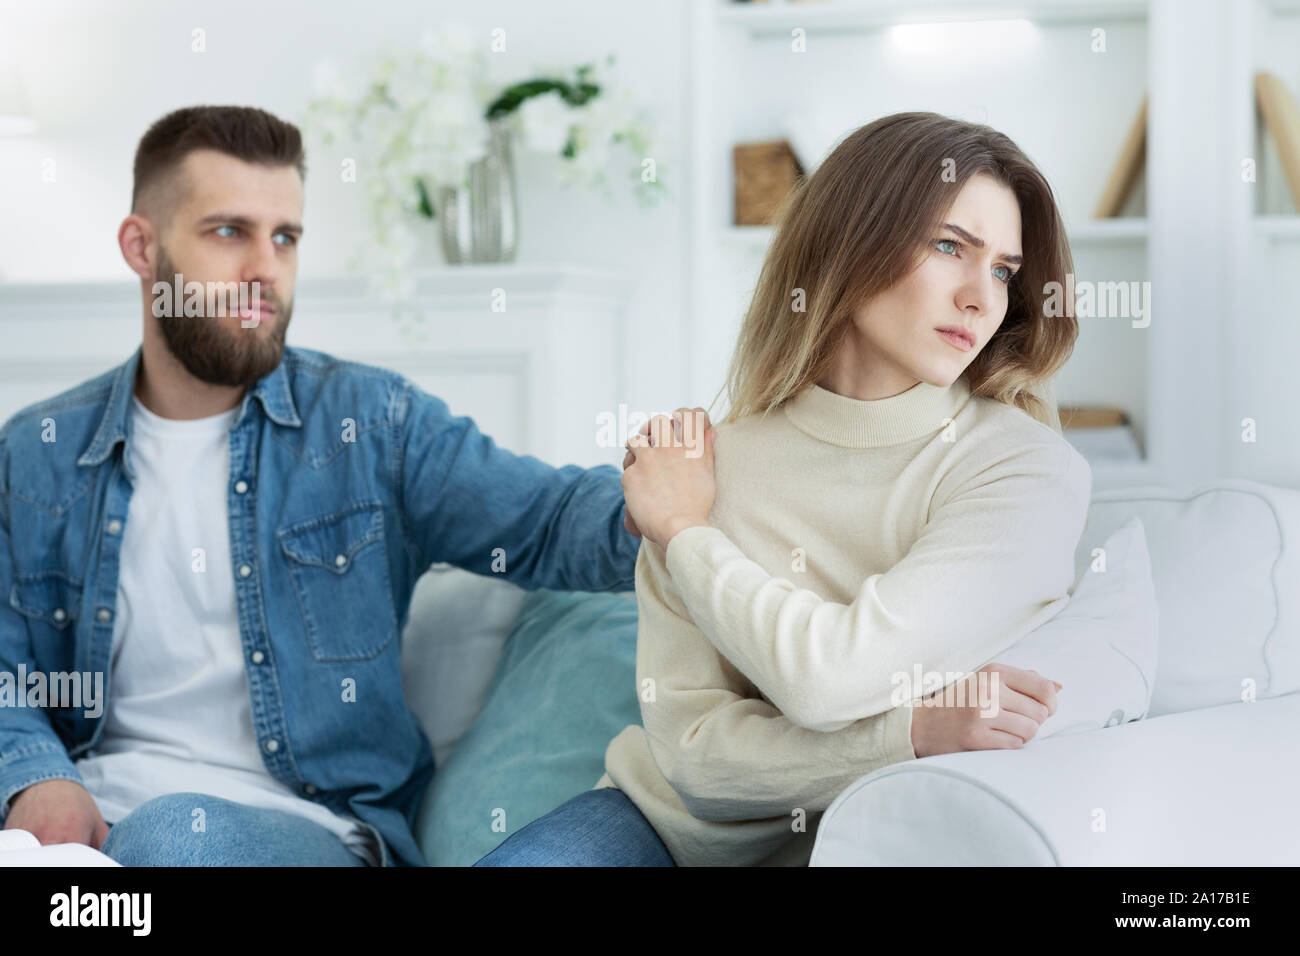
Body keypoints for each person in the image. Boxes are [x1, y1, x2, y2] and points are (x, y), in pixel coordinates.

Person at [0, 105, 666, 866]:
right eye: (230, 232)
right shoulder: (36, 453)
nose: (266, 269)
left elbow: (546, 519)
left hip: (301, 833)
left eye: (285, 237)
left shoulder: (371, 423)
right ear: (141, 247)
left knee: (172, 834)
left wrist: (680, 503)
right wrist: (36, 777)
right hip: (84, 827)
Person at [475, 111, 1088, 867]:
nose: (980, 297)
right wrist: (909, 733)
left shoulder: (1023, 470)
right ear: (851, 240)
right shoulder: (702, 468)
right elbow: (694, 756)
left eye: (1002, 270)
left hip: (876, 835)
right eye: (949, 246)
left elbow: (830, 680)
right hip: (656, 828)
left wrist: (685, 535)